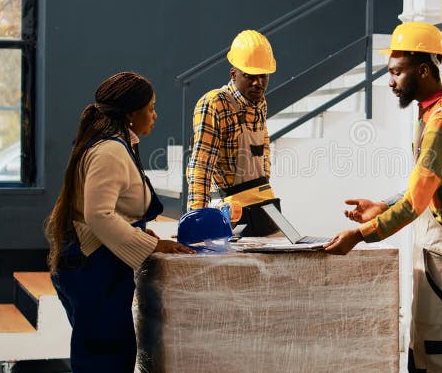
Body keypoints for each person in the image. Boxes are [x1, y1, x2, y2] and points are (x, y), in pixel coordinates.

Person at [325, 22, 442, 373]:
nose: (391, 82)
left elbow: (416, 202)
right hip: (440, 247)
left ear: (423, 70)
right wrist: (383, 205)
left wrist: (360, 236)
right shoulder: (431, 112)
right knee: (422, 347)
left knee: (438, 349)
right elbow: (422, 185)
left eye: (397, 72)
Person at [44, 71, 195, 373]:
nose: (155, 114)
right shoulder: (110, 150)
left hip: (94, 267)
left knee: (109, 354)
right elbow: (98, 215)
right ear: (130, 114)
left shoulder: (113, 145)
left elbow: (108, 208)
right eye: (150, 107)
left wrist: (134, 227)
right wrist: (153, 243)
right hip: (95, 270)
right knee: (105, 360)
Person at [186, 29, 281, 236]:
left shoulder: (259, 103)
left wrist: (263, 187)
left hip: (265, 207)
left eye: (263, 76)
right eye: (250, 76)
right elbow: (201, 166)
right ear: (233, 74)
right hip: (233, 212)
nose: (258, 83)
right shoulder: (215, 103)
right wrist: (197, 220)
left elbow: (263, 149)